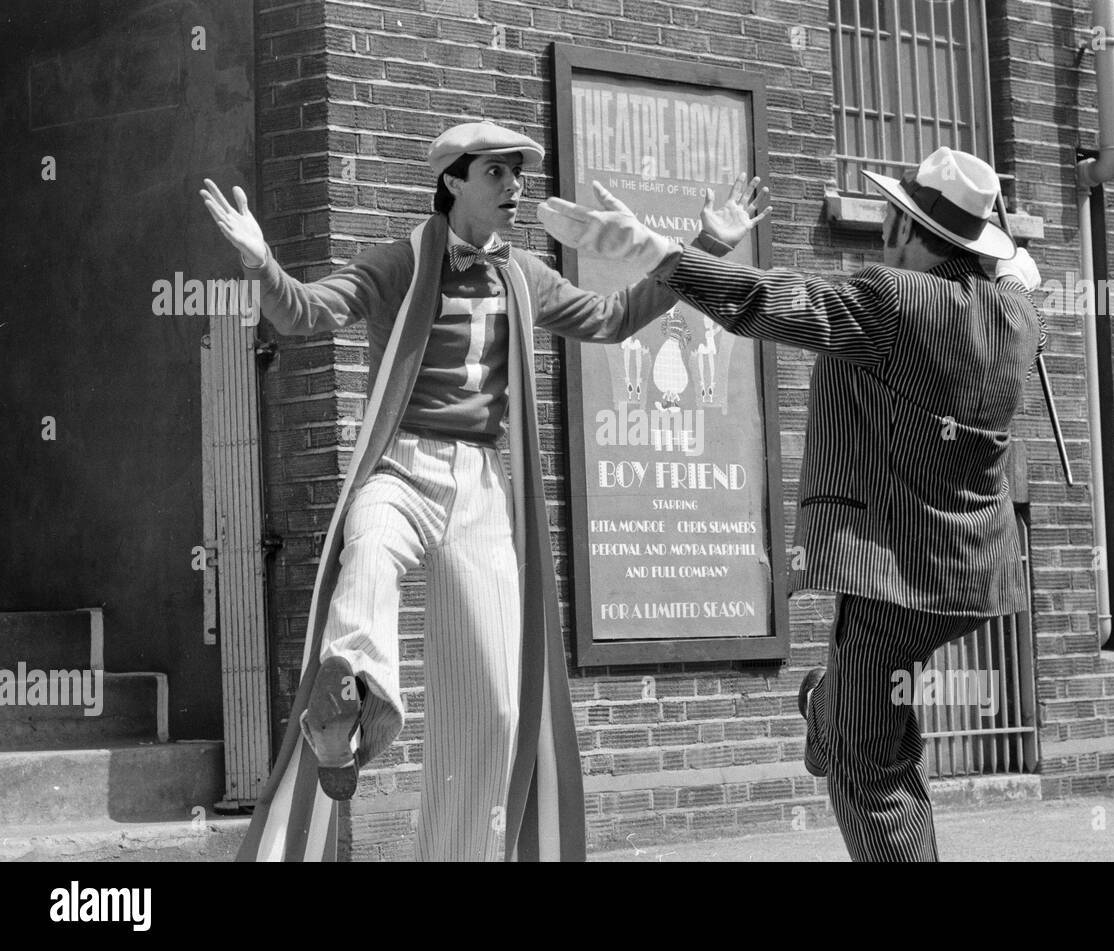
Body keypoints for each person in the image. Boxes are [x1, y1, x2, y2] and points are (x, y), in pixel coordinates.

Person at [200, 119, 763, 862]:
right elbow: (308, 311)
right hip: (400, 470)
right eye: (497, 173)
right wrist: (263, 262)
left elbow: (614, 317)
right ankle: (347, 705)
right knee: (366, 550)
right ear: (454, 181)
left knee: (495, 710)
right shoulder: (401, 260)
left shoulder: (523, 274)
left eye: (519, 175)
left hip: (481, 489)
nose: (515, 188)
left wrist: (707, 246)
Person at [538, 147, 1045, 861]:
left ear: (905, 229)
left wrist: (653, 249)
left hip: (893, 576)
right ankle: (836, 703)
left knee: (866, 770)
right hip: (971, 580)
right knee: (873, 719)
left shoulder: (893, 301)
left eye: (889, 219)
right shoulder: (1018, 316)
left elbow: (767, 300)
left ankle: (834, 713)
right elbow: (1025, 292)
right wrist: (1013, 272)